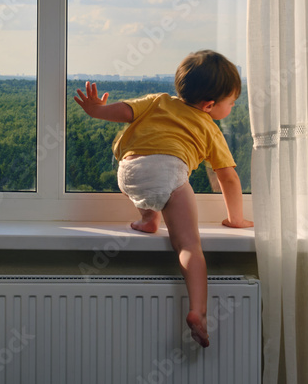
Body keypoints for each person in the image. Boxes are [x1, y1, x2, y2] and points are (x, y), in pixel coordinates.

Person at [72, 49, 253, 348]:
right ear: (210, 106)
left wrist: (95, 110)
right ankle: (198, 310)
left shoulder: (158, 100)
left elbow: (123, 112)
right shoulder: (210, 128)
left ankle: (148, 218)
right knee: (188, 245)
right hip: (167, 172)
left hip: (128, 171)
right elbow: (228, 178)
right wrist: (236, 218)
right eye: (231, 103)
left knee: (152, 189)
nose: (233, 107)